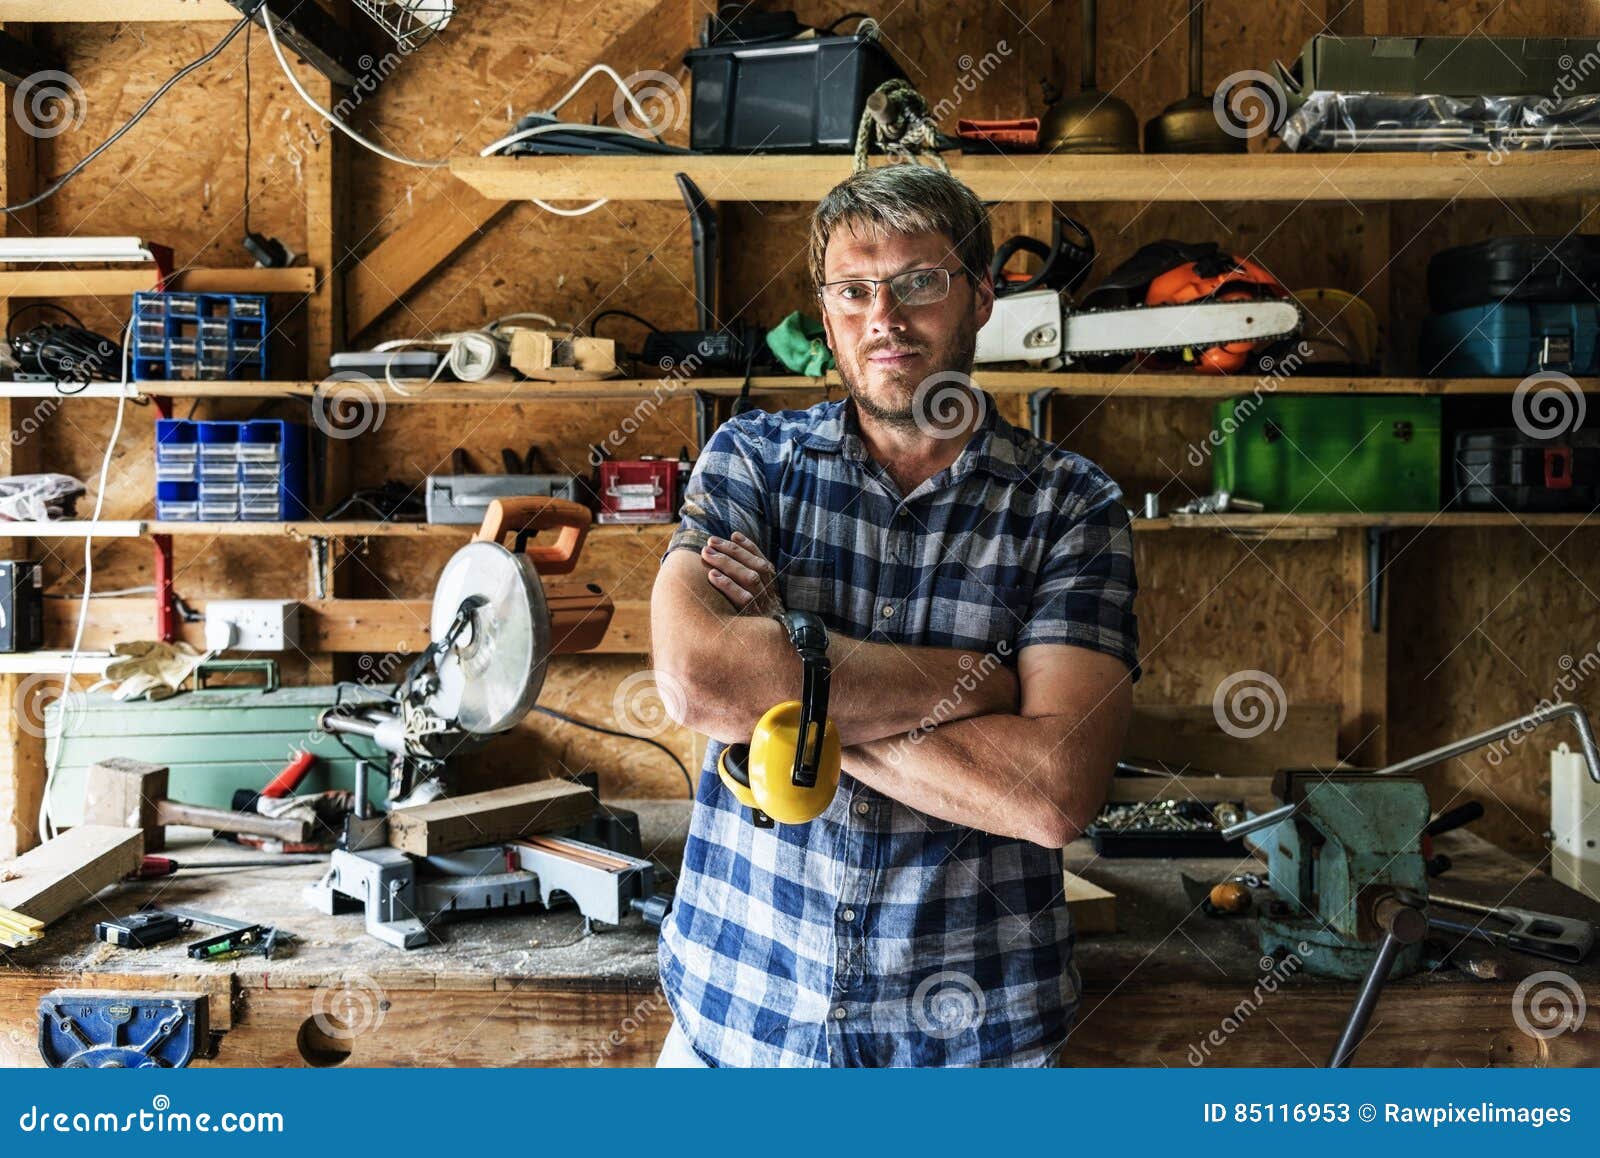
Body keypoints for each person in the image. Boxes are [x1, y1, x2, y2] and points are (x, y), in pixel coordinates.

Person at [648, 163, 1140, 1067]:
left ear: (982, 296)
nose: (884, 316)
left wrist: (785, 683)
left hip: (973, 1044)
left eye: (919, 282)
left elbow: (1053, 792)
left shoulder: (1070, 504)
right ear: (826, 309)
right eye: (853, 289)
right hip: (741, 1016)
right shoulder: (752, 460)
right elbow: (698, 682)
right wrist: (978, 692)